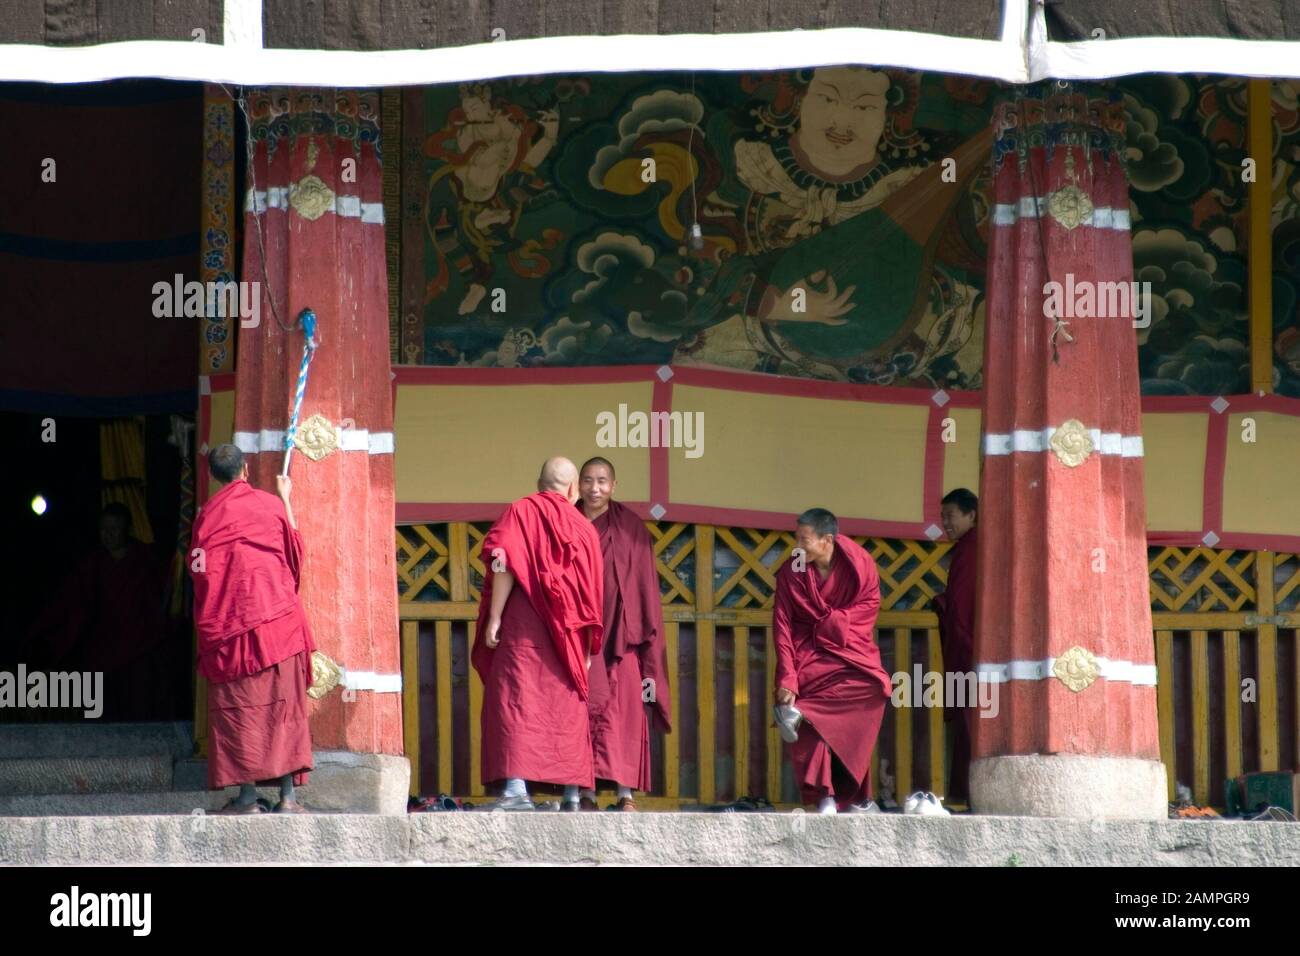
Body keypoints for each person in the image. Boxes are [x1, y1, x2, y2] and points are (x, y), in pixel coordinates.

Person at [471, 457, 604, 811]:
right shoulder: (585, 529)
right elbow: (592, 593)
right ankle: (572, 794)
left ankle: (517, 790)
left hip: (524, 628)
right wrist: (589, 646)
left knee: (518, 699)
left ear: (538, 483)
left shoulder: (520, 511)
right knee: (566, 705)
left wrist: (495, 617)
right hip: (571, 633)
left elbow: (503, 562)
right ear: (574, 490)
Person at [190, 444, 315, 814]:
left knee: (242, 707)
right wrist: (286, 497)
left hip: (231, 628)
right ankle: (287, 798)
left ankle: (247, 798)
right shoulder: (271, 505)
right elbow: (295, 555)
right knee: (285, 707)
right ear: (245, 468)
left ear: (213, 477)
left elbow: (199, 572)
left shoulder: (206, 518)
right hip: (278, 624)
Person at [773, 508, 890, 814]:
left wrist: (832, 624)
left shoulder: (859, 563)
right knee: (817, 704)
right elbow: (783, 624)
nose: (797, 546)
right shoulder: (794, 568)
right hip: (808, 653)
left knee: (874, 689)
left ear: (827, 540)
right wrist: (787, 677)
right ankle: (828, 796)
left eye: (804, 539)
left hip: (850, 652)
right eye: (795, 538)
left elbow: (869, 606)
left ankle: (800, 713)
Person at [575, 457, 671, 811]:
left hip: (623, 640)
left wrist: (642, 633)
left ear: (614, 486)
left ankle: (624, 793)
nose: (594, 488)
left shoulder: (631, 528)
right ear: (578, 484)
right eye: (588, 480)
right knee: (580, 712)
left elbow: (645, 585)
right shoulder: (568, 522)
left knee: (625, 712)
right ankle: (583, 792)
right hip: (579, 639)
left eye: (602, 481)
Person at [24, 503, 171, 721]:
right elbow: (68, 605)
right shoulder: (92, 564)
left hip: (138, 652)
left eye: (114, 528)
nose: (108, 534)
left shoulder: (145, 561)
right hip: (102, 652)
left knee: (138, 710)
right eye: (104, 529)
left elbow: (162, 603)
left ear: (127, 529)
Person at [933, 487, 978, 805]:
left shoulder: (971, 548)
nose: (945, 523)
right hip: (980, 646)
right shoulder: (973, 546)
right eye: (942, 516)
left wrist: (941, 605)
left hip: (971, 647)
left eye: (950, 516)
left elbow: (962, 607)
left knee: (971, 720)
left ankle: (966, 793)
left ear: (971, 515)